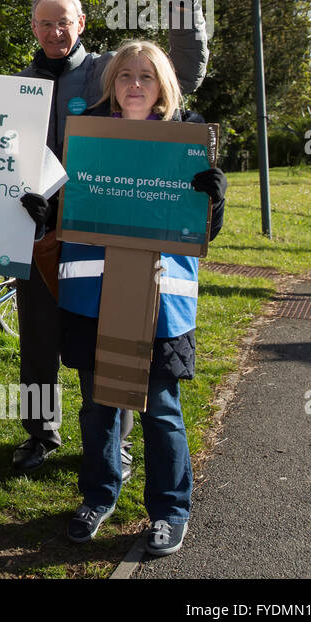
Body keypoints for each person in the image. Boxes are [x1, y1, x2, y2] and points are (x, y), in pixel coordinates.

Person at [12, 0, 209, 473]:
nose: (55, 32)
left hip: (98, 228)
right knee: (37, 338)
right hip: (34, 227)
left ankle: (116, 439)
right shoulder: (19, 85)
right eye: (44, 24)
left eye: (64, 22)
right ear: (33, 28)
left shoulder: (107, 71)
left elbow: (178, 73)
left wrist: (184, 10)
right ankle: (40, 433)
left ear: (81, 22)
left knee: (108, 333)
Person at [57, 40, 226, 555]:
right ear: (111, 83)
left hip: (160, 306)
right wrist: (45, 211)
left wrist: (213, 200)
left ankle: (170, 510)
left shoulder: (185, 142)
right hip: (93, 298)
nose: (134, 83)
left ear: (163, 86)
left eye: (146, 76)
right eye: (125, 74)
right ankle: (99, 493)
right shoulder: (89, 140)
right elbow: (66, 208)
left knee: (160, 409)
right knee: (98, 406)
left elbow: (205, 231)